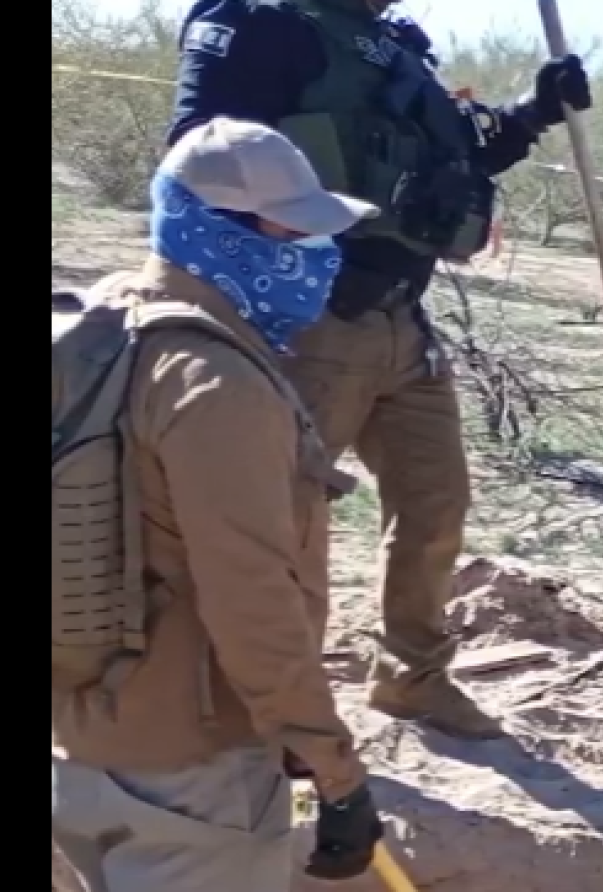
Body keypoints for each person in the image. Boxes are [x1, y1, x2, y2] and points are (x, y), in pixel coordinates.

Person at [167, 0, 592, 739]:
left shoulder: (395, 48)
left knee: (435, 507)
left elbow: (451, 161)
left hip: (405, 323)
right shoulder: (265, 23)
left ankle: (412, 678)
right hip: (310, 322)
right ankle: (256, 709)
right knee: (281, 527)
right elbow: (197, 158)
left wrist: (531, 114)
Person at [52, 118, 383, 891]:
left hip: (82, 745)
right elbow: (252, 599)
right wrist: (334, 765)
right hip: (194, 776)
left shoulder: (95, 328)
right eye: (290, 232)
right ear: (213, 229)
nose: (316, 257)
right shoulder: (215, 382)